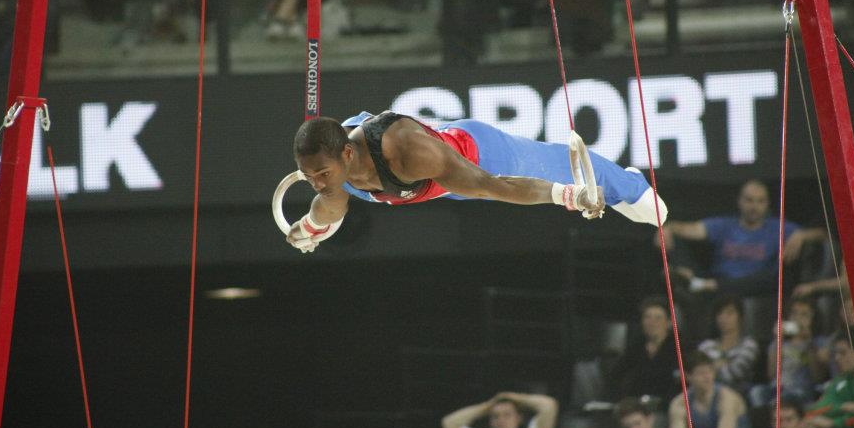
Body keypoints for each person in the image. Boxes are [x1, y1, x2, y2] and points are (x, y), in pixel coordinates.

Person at [286, 112, 668, 252]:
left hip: (477, 156)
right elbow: (334, 197)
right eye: (309, 176)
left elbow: (493, 186)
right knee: (331, 193)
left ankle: (631, 186)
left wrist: (566, 195)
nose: (316, 183)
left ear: (348, 155)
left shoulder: (407, 152)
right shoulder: (330, 169)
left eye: (321, 175)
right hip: (416, 179)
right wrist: (316, 225)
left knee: (561, 170)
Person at [661, 180, 824, 297]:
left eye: (760, 201)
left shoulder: (778, 227)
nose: (754, 206)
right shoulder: (725, 225)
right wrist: (668, 228)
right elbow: (692, 229)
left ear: (767, 204)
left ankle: (703, 285)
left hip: (757, 284)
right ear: (740, 201)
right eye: (749, 200)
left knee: (774, 276)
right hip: (721, 280)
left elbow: (824, 234)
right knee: (671, 239)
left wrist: (801, 235)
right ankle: (688, 276)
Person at [668, 351, 755, 428]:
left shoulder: (726, 398)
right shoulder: (680, 403)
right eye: (701, 373)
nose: (707, 377)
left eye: (709, 371)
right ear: (688, 376)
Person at [750, 297, 828, 406]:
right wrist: (778, 340)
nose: (798, 319)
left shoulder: (818, 342)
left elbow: (818, 377)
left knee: (786, 398)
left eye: (804, 315)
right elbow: (772, 374)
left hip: (802, 389)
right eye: (794, 314)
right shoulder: (779, 343)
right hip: (777, 388)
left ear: (812, 319)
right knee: (757, 392)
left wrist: (808, 342)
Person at [612, 297, 683, 403]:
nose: (652, 322)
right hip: (636, 406)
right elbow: (617, 376)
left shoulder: (680, 347)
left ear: (669, 323)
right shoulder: (635, 347)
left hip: (668, 405)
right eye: (647, 317)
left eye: (658, 318)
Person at [696, 296, 759, 395]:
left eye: (729, 313)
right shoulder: (706, 346)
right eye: (720, 313)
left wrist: (712, 367)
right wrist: (722, 364)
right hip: (706, 394)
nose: (723, 318)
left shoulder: (748, 345)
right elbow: (697, 373)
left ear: (740, 317)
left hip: (737, 394)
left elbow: (734, 374)